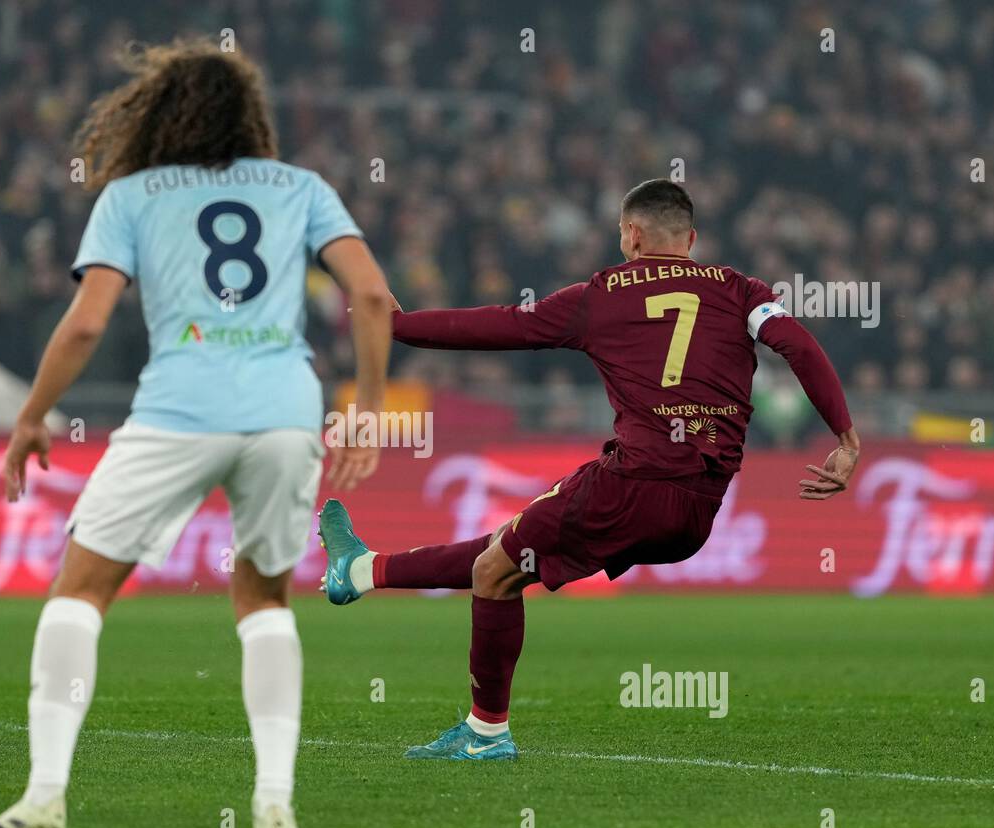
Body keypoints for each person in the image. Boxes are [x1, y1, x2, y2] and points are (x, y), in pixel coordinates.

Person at [0, 39, 391, 828]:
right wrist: (366, 407)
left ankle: (44, 799)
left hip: (179, 409)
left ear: (158, 114)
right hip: (284, 411)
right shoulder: (302, 188)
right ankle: (274, 805)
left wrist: (32, 418)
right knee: (265, 602)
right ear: (251, 117)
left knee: (80, 591)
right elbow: (371, 295)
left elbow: (88, 319)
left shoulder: (131, 195)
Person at [319, 179, 859, 760]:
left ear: (630, 234)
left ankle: (484, 734)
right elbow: (798, 343)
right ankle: (363, 571)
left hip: (633, 485)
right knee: (504, 554)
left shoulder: (602, 294)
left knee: (495, 571)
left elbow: (503, 326)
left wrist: (399, 327)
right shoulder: (740, 290)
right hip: (700, 509)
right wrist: (845, 436)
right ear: (692, 238)